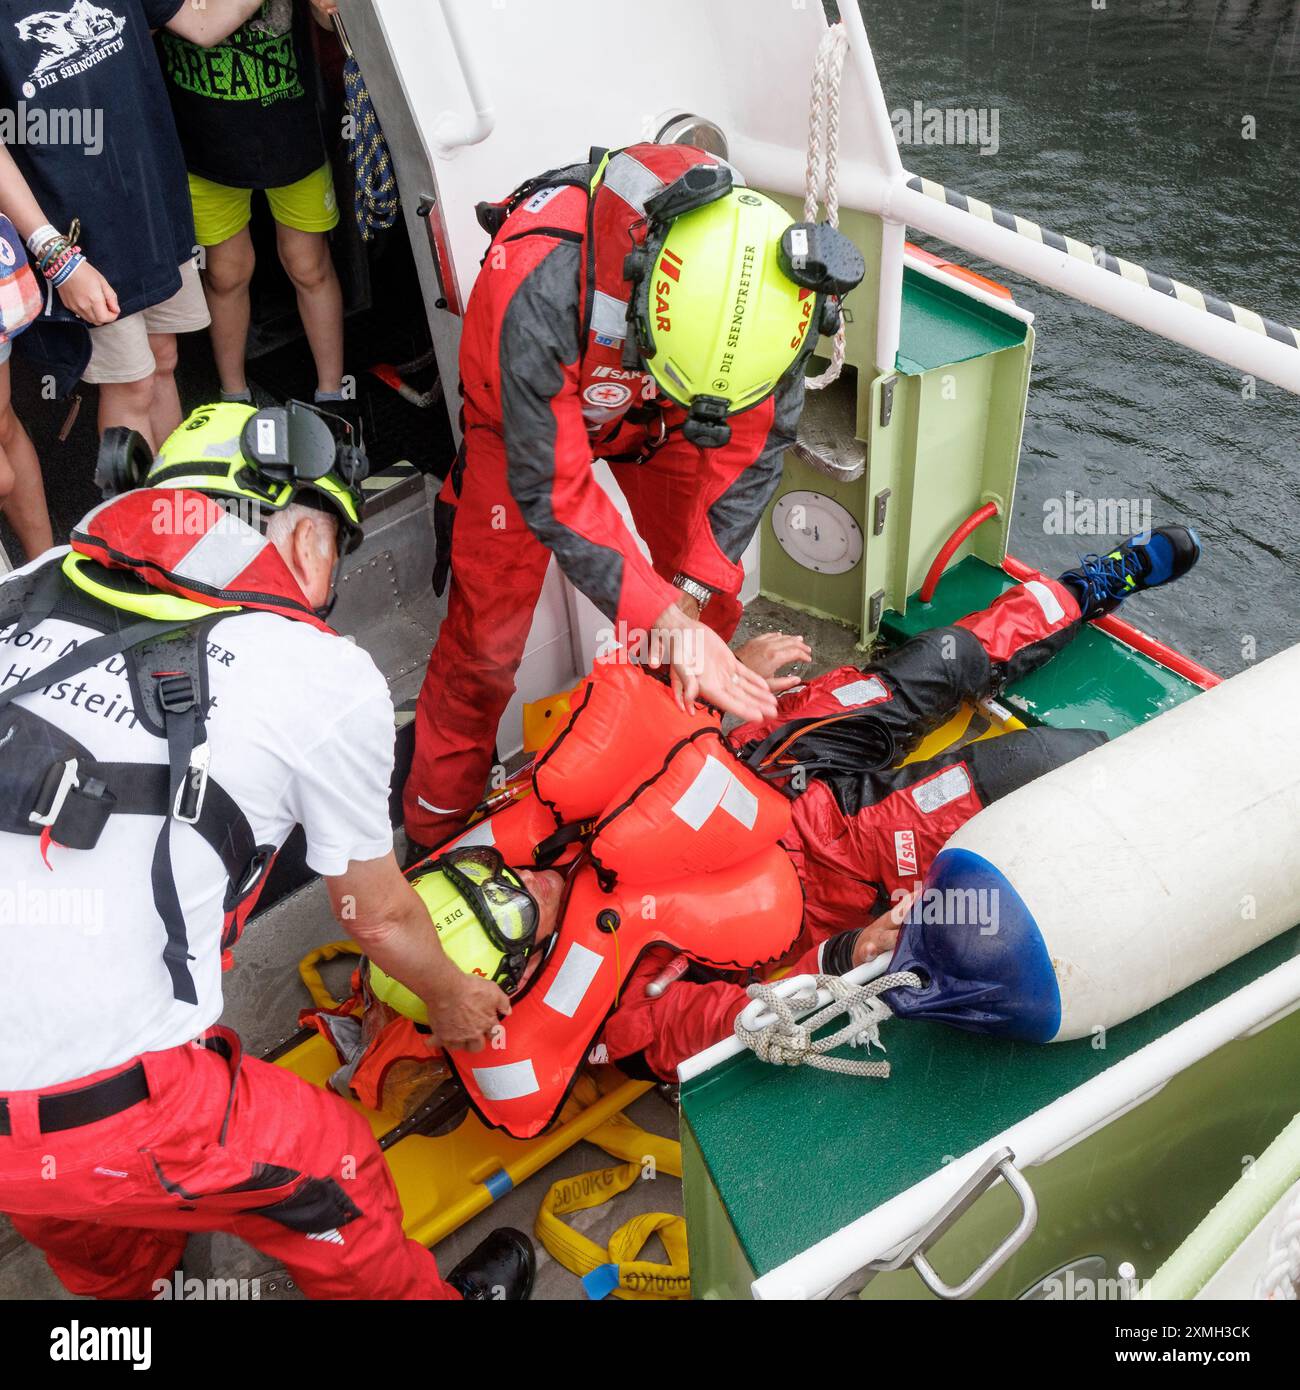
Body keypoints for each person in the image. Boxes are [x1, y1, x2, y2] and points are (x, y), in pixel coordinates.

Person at [0, 400, 533, 1300]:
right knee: (336, 1170)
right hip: (97, 1108)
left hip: (39, 1137)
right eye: (334, 544)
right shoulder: (316, 675)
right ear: (301, 540)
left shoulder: (31, 581)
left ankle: (124, 1309)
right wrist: (449, 1000)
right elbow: (380, 913)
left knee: (75, 1209)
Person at [379, 526, 1202, 1100]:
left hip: (772, 758)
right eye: (523, 908)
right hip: (831, 864)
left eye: (500, 874)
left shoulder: (527, 836)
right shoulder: (618, 1013)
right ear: (509, 981)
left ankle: (1099, 582)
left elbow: (643, 752)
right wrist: (850, 952)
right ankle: (1208, 761)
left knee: (945, 659)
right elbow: (735, 1021)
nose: (535, 882)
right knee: (1050, 761)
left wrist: (726, 680)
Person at [402, 141, 865, 851]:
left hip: (673, 420)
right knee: (484, 646)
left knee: (706, 601)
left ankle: (659, 762)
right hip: (527, 425)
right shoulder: (535, 281)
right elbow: (552, 490)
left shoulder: (778, 303)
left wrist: (686, 604)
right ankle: (434, 834)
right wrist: (663, 617)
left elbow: (754, 445)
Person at [0, 0, 292, 444]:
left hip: (149, 204)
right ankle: (135, 512)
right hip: (75, 231)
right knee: (130, 383)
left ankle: (174, 505)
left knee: (164, 357)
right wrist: (54, 252)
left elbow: (201, 21)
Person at [156, 0, 348, 411]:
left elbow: (328, 20)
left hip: (289, 131)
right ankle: (234, 398)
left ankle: (333, 398)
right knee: (226, 273)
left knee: (309, 264)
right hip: (205, 140)